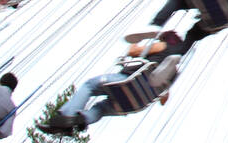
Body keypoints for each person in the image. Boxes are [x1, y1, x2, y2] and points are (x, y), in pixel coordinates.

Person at [38, 53, 181, 133]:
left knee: (90, 86)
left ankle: (67, 116)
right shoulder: (170, 77)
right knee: (100, 109)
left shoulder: (158, 51)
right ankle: (81, 119)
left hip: (127, 83)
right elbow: (163, 99)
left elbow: (133, 50)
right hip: (135, 104)